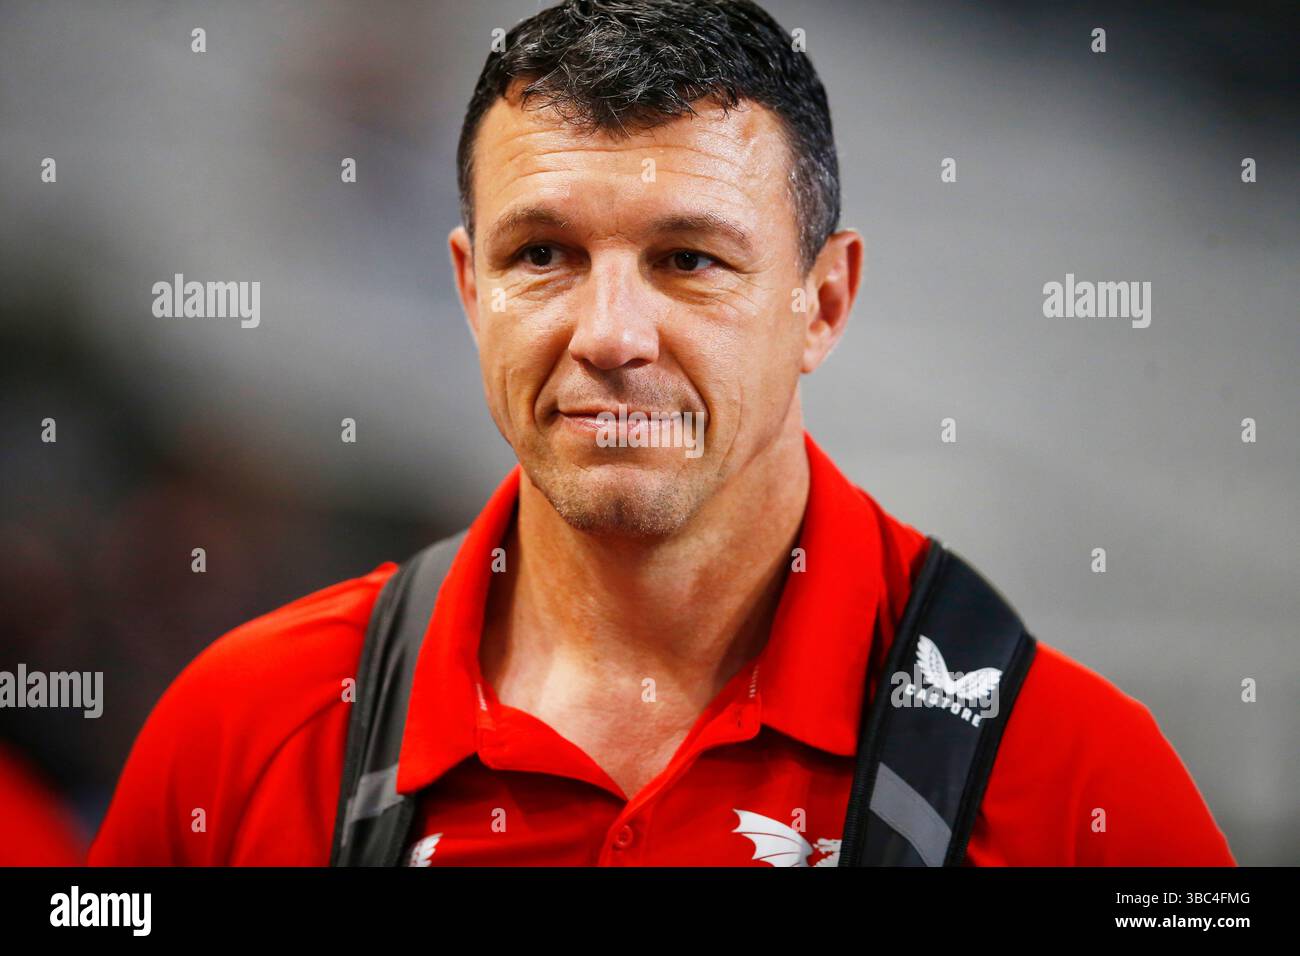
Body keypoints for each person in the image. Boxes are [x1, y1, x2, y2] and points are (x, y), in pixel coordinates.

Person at [90, 0, 1234, 866]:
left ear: (822, 303)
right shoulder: (243, 734)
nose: (611, 333)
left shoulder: (1075, 779)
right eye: (541, 255)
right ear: (469, 289)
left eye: (689, 260)